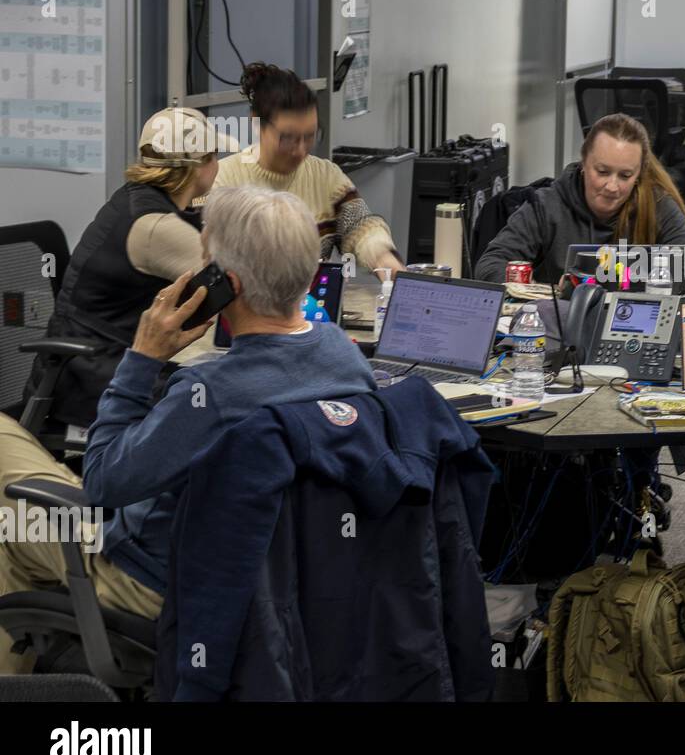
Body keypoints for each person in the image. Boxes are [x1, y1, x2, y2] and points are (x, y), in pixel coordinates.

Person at [0, 186, 378, 674]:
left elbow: (101, 485)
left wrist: (142, 356)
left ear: (226, 283)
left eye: (205, 262)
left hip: (156, 578)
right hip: (287, 579)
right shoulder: (345, 356)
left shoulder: (210, 393)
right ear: (308, 272)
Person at [24, 108, 233, 431]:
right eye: (215, 156)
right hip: (96, 380)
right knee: (228, 404)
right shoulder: (155, 226)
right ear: (199, 167)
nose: (218, 165)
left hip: (96, 365)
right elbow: (238, 287)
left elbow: (200, 223)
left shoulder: (138, 200)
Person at [210, 62, 404, 279]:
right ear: (257, 124)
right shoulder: (223, 181)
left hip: (313, 307)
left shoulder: (326, 177)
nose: (300, 150)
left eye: (310, 137)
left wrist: (386, 261)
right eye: (288, 138)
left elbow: (360, 228)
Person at [474, 113, 685, 284]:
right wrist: (534, 289)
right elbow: (490, 265)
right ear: (583, 164)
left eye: (625, 176)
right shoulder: (547, 205)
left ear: (638, 175)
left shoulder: (657, 206)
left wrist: (611, 279)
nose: (612, 186)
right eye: (602, 172)